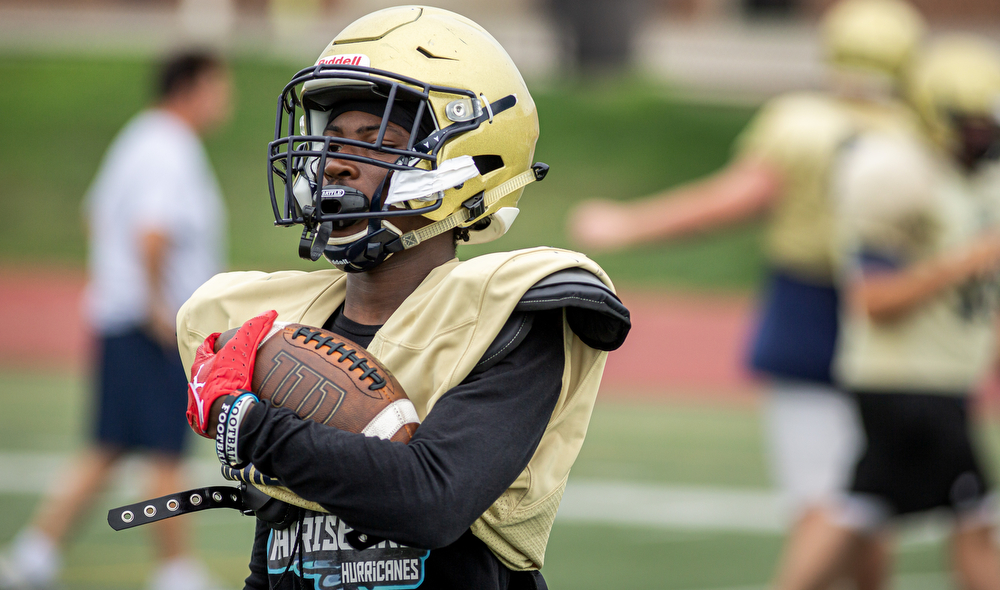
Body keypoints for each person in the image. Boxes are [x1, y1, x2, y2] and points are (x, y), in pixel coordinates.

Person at [174, 6, 630, 590]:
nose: (335, 162)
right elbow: (282, 549)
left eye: (375, 143)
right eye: (333, 140)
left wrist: (249, 423)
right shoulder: (285, 328)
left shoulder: (510, 316)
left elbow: (431, 499)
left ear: (468, 164)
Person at [568, 0, 924, 587]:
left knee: (820, 497)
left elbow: (730, 202)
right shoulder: (916, 136)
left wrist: (626, 224)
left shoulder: (800, 123)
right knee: (867, 499)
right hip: (896, 318)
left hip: (809, 312)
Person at [774, 35, 1000, 590]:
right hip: (906, 380)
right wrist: (965, 261)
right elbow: (873, 300)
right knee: (973, 519)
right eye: (968, 124)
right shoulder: (895, 172)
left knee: (861, 509)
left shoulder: (971, 177)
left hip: (939, 378)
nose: (980, 136)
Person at [0, 51, 231, 590]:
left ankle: (32, 557)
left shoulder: (139, 138)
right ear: (192, 87)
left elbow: (95, 215)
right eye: (218, 88)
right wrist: (156, 306)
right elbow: (151, 233)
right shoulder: (168, 148)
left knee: (109, 446)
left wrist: (119, 284)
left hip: (123, 316)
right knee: (165, 449)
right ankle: (175, 571)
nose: (225, 101)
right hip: (148, 324)